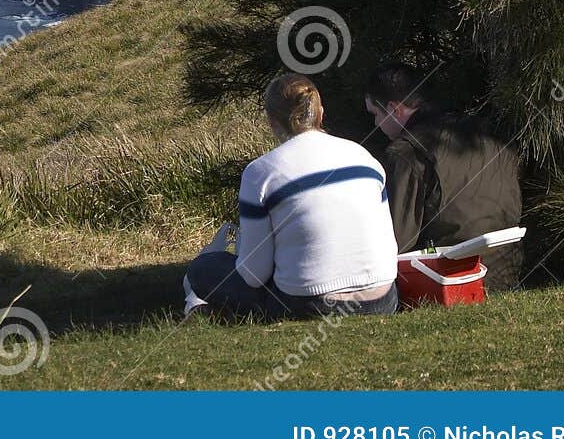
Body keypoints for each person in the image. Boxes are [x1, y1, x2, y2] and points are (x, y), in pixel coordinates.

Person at [184, 73, 398, 319]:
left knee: (203, 268)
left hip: (310, 305)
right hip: (383, 298)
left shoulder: (260, 172)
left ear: (272, 122)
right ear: (321, 113)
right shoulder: (364, 157)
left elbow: (253, 274)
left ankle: (218, 310)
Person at [364, 62, 523, 289]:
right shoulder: (490, 134)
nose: (375, 124)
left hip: (450, 280)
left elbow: (397, 242)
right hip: (505, 273)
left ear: (394, 109)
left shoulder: (406, 152)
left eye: (375, 114)